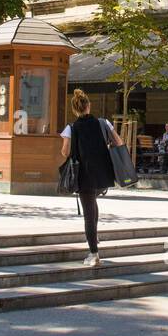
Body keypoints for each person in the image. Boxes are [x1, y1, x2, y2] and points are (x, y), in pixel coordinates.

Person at [59, 89, 123, 266]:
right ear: (89, 106)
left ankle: (93, 253)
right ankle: (95, 237)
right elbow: (119, 142)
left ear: (74, 109)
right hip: (103, 175)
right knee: (93, 205)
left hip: (84, 176)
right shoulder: (103, 123)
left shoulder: (71, 128)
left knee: (88, 213)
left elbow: (65, 152)